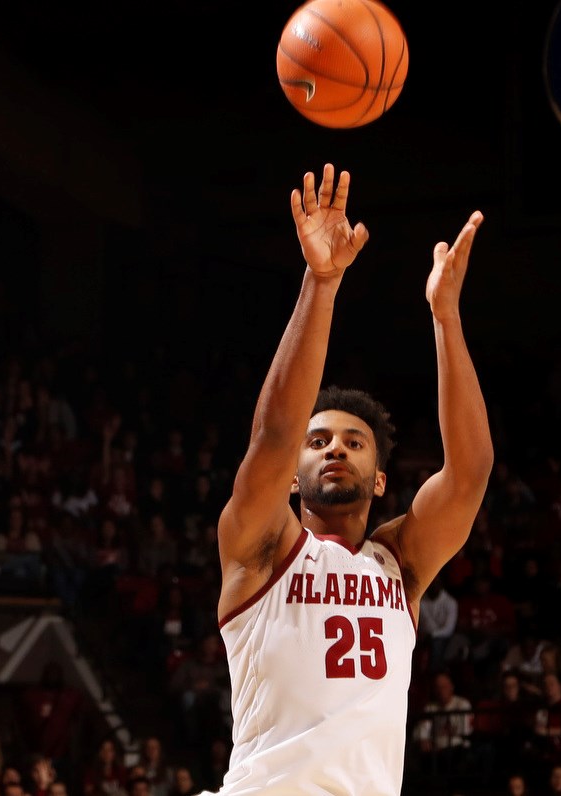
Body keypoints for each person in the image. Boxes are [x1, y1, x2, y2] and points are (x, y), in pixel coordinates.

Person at [205, 164, 492, 793]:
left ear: (381, 480)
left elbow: (469, 474)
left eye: (354, 443)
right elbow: (274, 435)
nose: (335, 447)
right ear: (292, 476)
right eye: (319, 442)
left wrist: (446, 319)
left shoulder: (399, 564)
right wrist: (321, 282)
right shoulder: (261, 549)